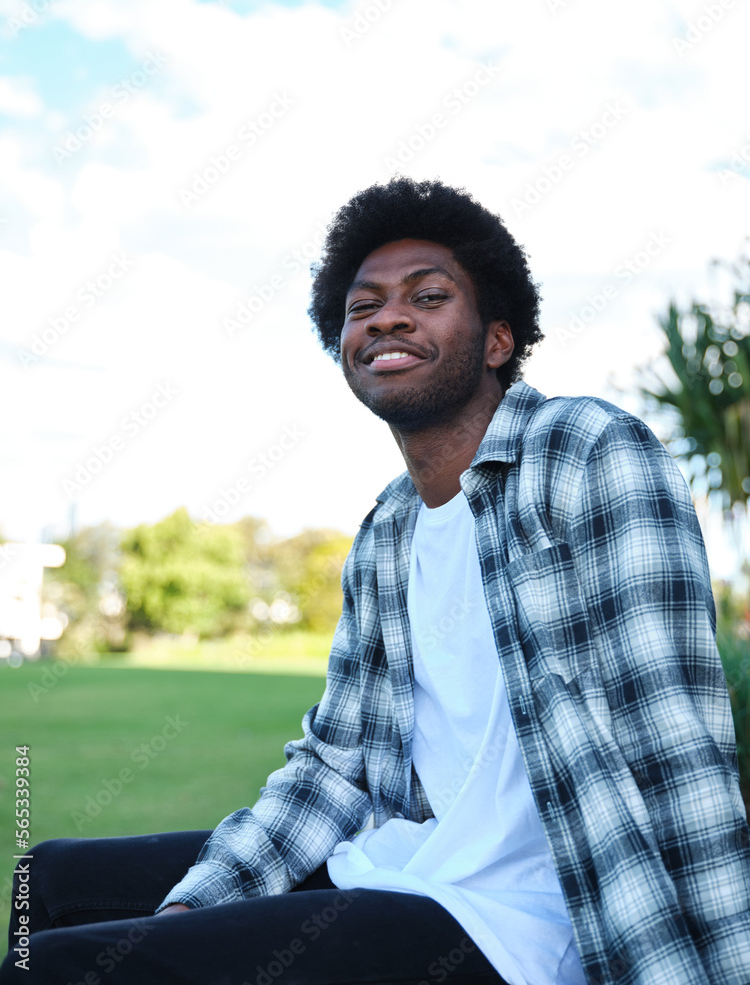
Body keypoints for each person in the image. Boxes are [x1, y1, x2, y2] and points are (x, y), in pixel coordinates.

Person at [3, 177, 749, 985]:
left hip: (536, 920)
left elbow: (676, 744)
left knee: (51, 970)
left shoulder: (588, 453)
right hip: (402, 863)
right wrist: (202, 902)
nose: (388, 317)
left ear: (498, 340)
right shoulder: (388, 530)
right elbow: (337, 764)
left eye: (428, 296)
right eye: (363, 307)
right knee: (45, 882)